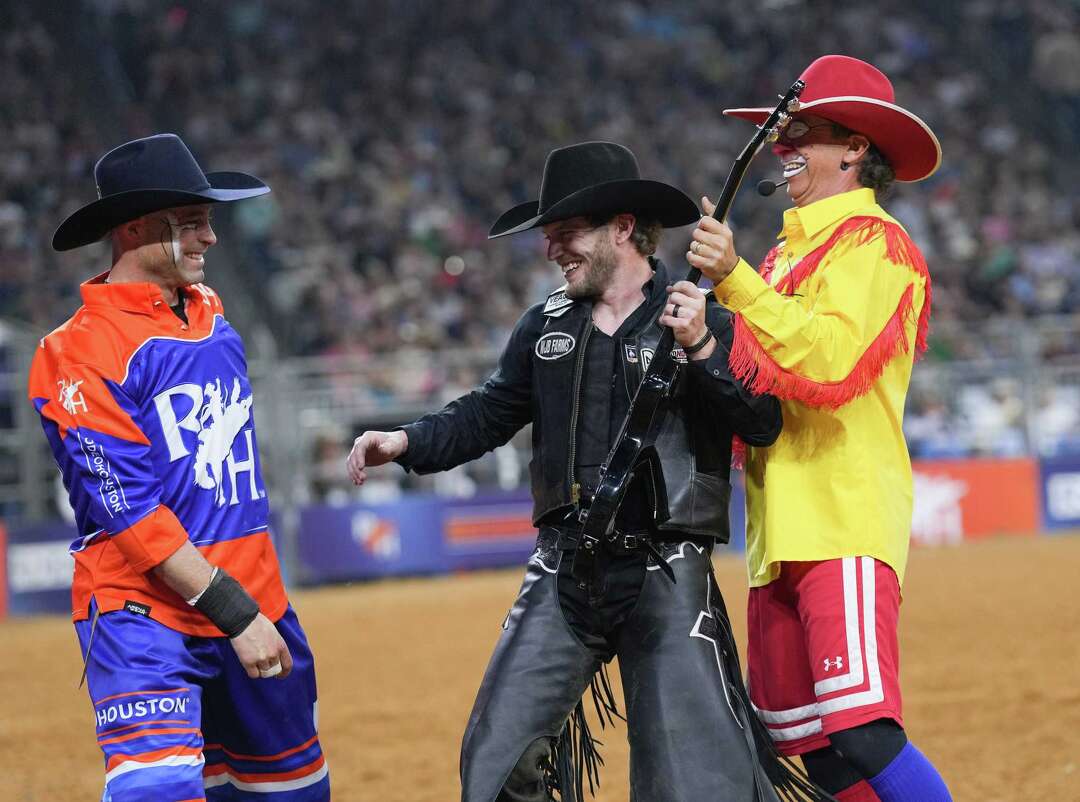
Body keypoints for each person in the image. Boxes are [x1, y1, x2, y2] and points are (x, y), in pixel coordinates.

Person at [347, 140, 800, 802]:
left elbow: (762, 423)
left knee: (697, 787)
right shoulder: (543, 327)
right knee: (494, 769)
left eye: (567, 233)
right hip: (564, 570)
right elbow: (487, 414)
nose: (553, 248)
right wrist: (408, 441)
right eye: (550, 235)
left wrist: (702, 346)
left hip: (668, 573)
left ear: (622, 228)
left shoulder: (705, 321)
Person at [29, 133, 329, 801]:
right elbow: (131, 512)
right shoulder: (74, 354)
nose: (212, 238)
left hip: (256, 594)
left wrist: (254, 611)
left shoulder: (214, 315)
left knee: (291, 794)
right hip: (146, 614)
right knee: (155, 791)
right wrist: (237, 614)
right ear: (136, 227)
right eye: (193, 221)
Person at [688, 55, 952, 801]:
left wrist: (735, 281)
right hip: (779, 534)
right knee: (825, 753)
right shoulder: (782, 255)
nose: (783, 146)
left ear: (856, 148)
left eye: (803, 131)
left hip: (842, 520)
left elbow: (831, 362)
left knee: (865, 732)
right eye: (783, 133)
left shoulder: (876, 242)